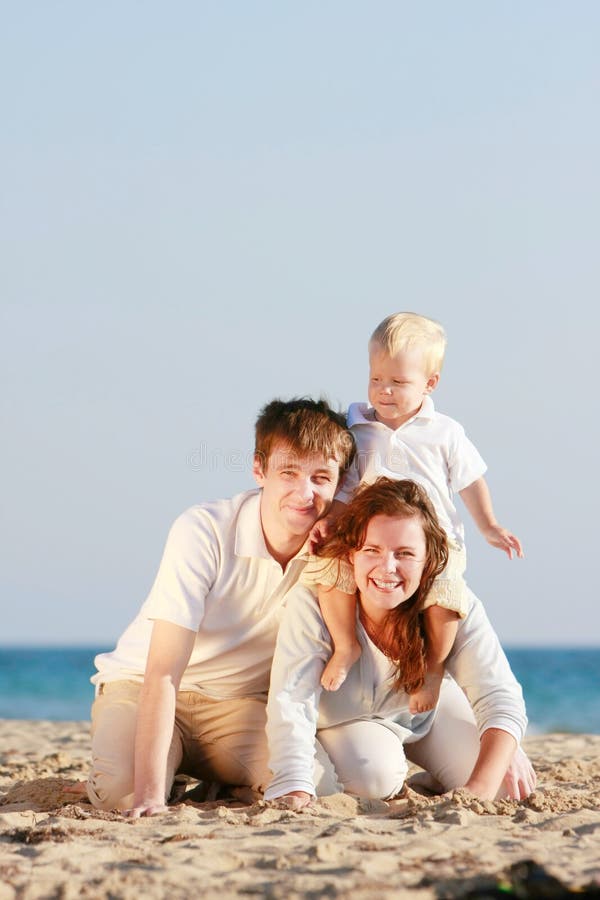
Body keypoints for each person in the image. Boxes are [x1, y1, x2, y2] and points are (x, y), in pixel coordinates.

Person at [86, 398, 355, 817]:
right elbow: (161, 673)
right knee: (122, 797)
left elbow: (401, 508)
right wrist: (151, 797)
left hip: (237, 705)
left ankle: (213, 779)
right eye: (289, 472)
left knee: (310, 789)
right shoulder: (204, 529)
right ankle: (158, 773)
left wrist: (343, 514)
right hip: (144, 688)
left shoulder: (335, 546)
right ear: (258, 469)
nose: (305, 492)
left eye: (322, 477)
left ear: (339, 483)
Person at [265, 478, 535, 808]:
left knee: (504, 787)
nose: (387, 568)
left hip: (425, 714)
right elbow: (291, 699)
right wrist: (293, 782)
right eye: (372, 550)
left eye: (405, 553)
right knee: (375, 779)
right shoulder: (314, 602)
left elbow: (500, 694)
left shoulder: (450, 606)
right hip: (348, 723)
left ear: (429, 560)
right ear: (352, 555)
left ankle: (434, 779)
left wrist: (494, 759)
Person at [316, 312, 523, 711]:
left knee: (445, 597)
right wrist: (330, 522)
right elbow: (345, 486)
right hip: (371, 539)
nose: (384, 391)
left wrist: (489, 526)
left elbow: (470, 480)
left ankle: (431, 670)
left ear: (430, 385)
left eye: (398, 383)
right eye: (376, 379)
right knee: (328, 569)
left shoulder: (444, 431)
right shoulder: (357, 428)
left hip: (436, 540)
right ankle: (345, 646)